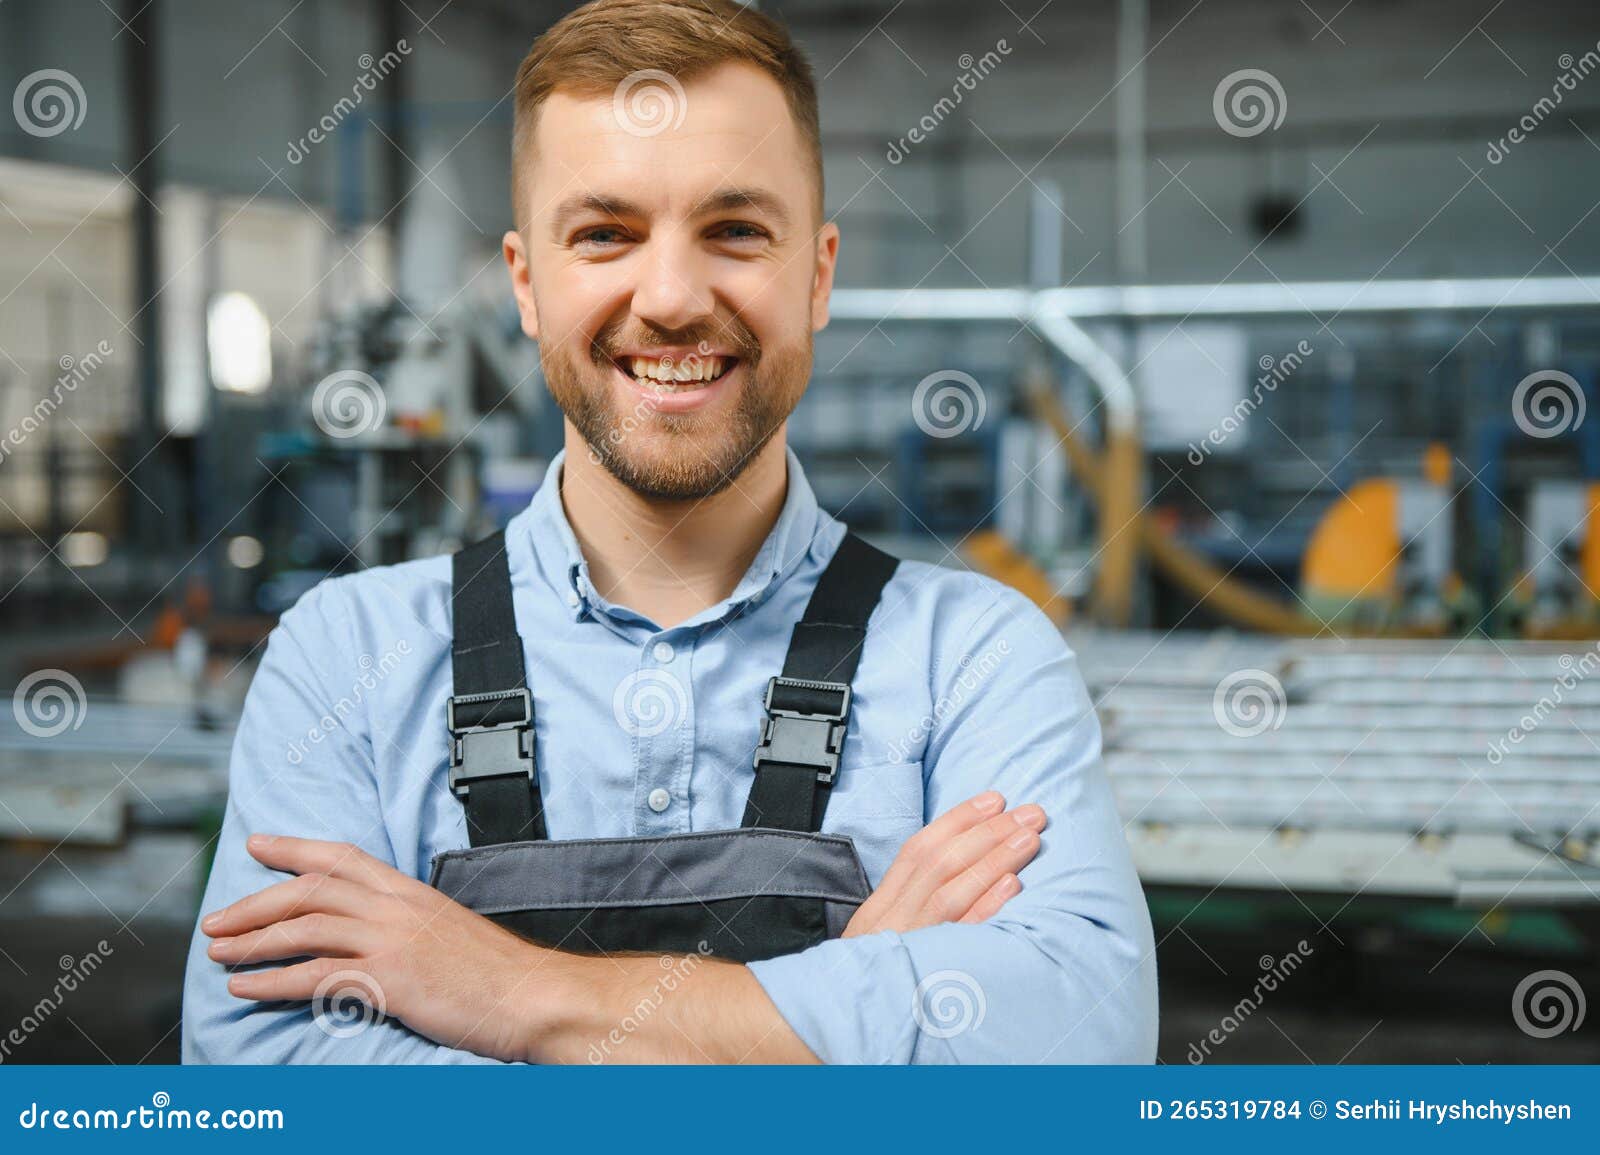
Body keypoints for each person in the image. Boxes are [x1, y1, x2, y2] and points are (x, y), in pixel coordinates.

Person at [182, 0, 1156, 1065]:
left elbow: (1079, 1045)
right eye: (605, 234)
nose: (674, 297)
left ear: (818, 274)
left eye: (736, 231)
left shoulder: (975, 658)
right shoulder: (348, 660)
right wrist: (841, 1027)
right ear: (525, 282)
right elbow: (265, 1080)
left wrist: (509, 992)